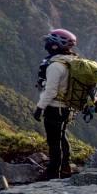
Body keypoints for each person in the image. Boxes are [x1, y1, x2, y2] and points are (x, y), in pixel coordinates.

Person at [34, 28, 79, 179]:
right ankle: (65, 168)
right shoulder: (71, 61)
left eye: (49, 42)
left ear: (55, 46)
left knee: (54, 141)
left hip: (55, 107)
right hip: (67, 107)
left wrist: (40, 108)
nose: (46, 44)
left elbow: (51, 91)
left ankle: (54, 172)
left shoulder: (55, 66)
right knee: (62, 138)